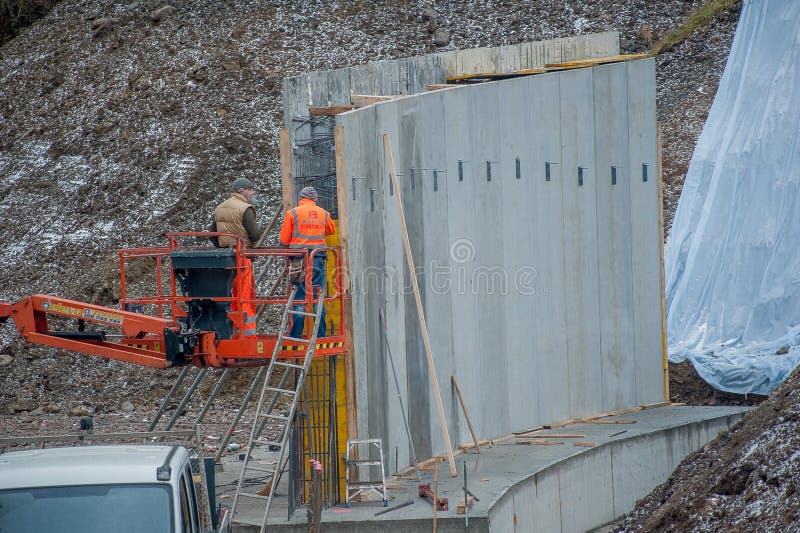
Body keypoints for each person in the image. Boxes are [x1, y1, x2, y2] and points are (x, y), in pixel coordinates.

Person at [279, 186, 335, 338]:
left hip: (298, 260)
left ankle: (296, 336)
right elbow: (331, 230)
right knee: (317, 298)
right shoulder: (324, 213)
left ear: (301, 199)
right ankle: (320, 336)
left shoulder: (293, 213)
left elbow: (284, 240)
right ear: (315, 200)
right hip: (317, 259)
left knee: (299, 298)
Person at [210, 177, 262, 337]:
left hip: (224, 259)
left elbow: (212, 234)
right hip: (242, 258)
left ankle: (230, 331)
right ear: (241, 190)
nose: (252, 192)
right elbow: (254, 234)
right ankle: (248, 335)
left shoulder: (220, 208)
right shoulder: (245, 208)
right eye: (250, 189)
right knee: (245, 295)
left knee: (230, 296)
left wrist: (224, 245)